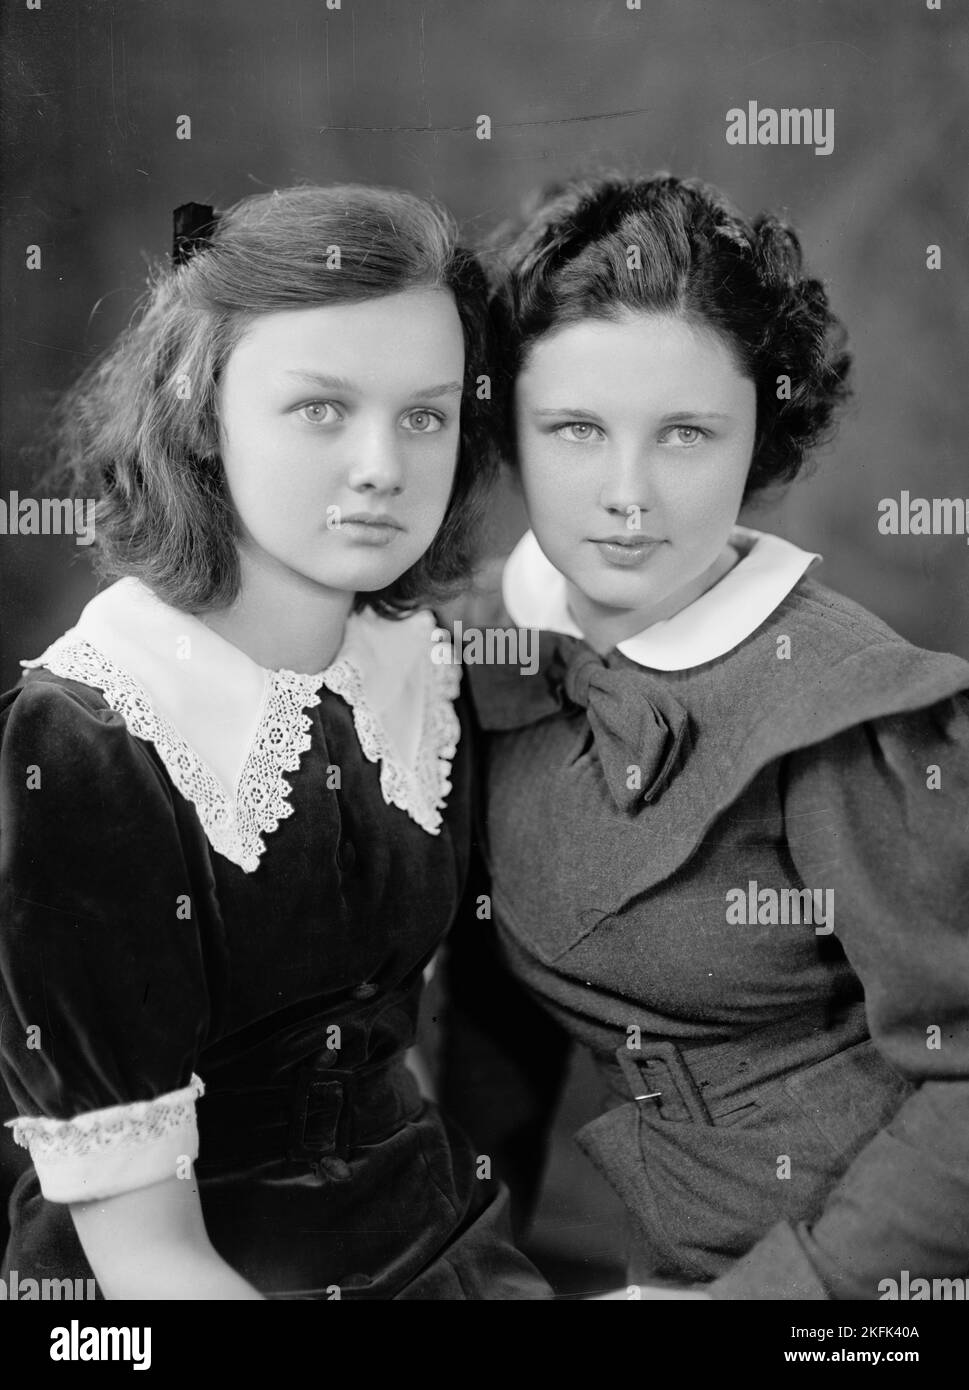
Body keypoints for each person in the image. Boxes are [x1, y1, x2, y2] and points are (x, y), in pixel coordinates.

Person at [0, 184, 550, 1300]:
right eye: (320, 409)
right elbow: (151, 1257)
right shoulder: (89, 742)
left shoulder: (416, 659)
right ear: (203, 410)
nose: (383, 466)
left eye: (425, 415)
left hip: (432, 1243)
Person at [442, 173, 969, 1300]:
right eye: (576, 429)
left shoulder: (849, 711)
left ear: (762, 437)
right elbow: (490, 1029)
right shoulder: (485, 644)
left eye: (685, 433)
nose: (627, 494)